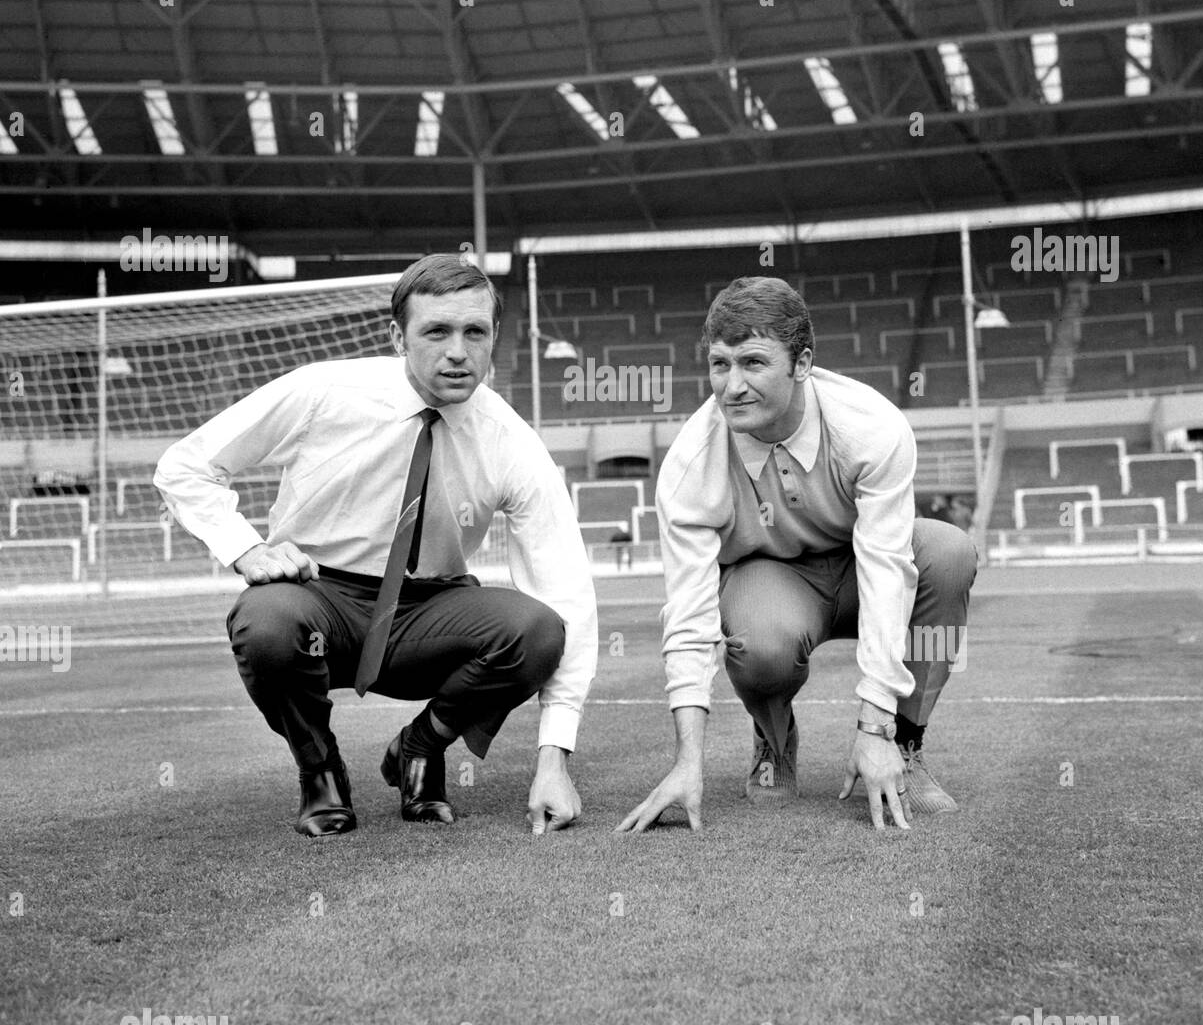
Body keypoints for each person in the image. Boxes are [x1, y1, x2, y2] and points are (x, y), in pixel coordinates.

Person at [155, 254, 597, 839]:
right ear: (397, 336)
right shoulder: (322, 391)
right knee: (266, 620)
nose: (458, 351)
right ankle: (320, 771)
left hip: (429, 615)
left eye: (475, 332)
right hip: (320, 599)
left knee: (538, 630)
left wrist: (553, 761)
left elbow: (565, 590)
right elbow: (186, 465)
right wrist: (246, 549)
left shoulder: (512, 443)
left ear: (494, 338)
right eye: (436, 331)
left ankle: (418, 749)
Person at [619, 276, 976, 834]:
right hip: (770, 577)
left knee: (948, 552)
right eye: (719, 364)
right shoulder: (691, 464)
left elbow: (887, 568)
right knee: (763, 644)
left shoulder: (873, 428)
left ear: (803, 363)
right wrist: (687, 763)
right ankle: (774, 737)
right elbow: (688, 617)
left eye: (753, 363)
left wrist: (876, 723)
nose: (731, 386)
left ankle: (905, 747)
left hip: (861, 566)